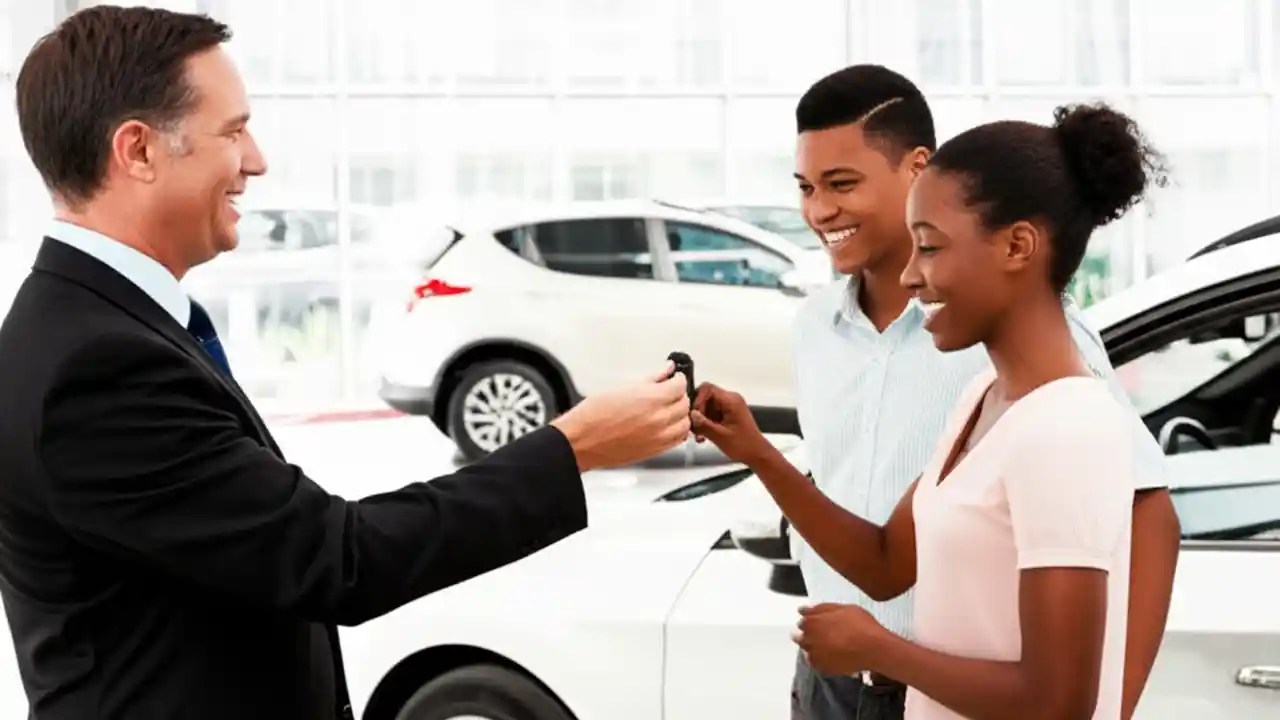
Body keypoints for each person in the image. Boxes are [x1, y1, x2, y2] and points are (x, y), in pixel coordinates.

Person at [0, 7, 691, 720]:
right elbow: (334, 559)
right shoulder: (96, 366)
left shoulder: (95, 327)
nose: (257, 160)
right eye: (233, 132)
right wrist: (573, 448)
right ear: (138, 151)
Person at [693, 66, 1179, 720]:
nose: (819, 210)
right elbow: (887, 560)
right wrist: (757, 452)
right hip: (838, 679)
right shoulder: (964, 392)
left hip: (928, 683)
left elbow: (1145, 520)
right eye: (806, 188)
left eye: (841, 184)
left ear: (917, 170)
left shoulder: (1055, 397)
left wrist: (1110, 709)